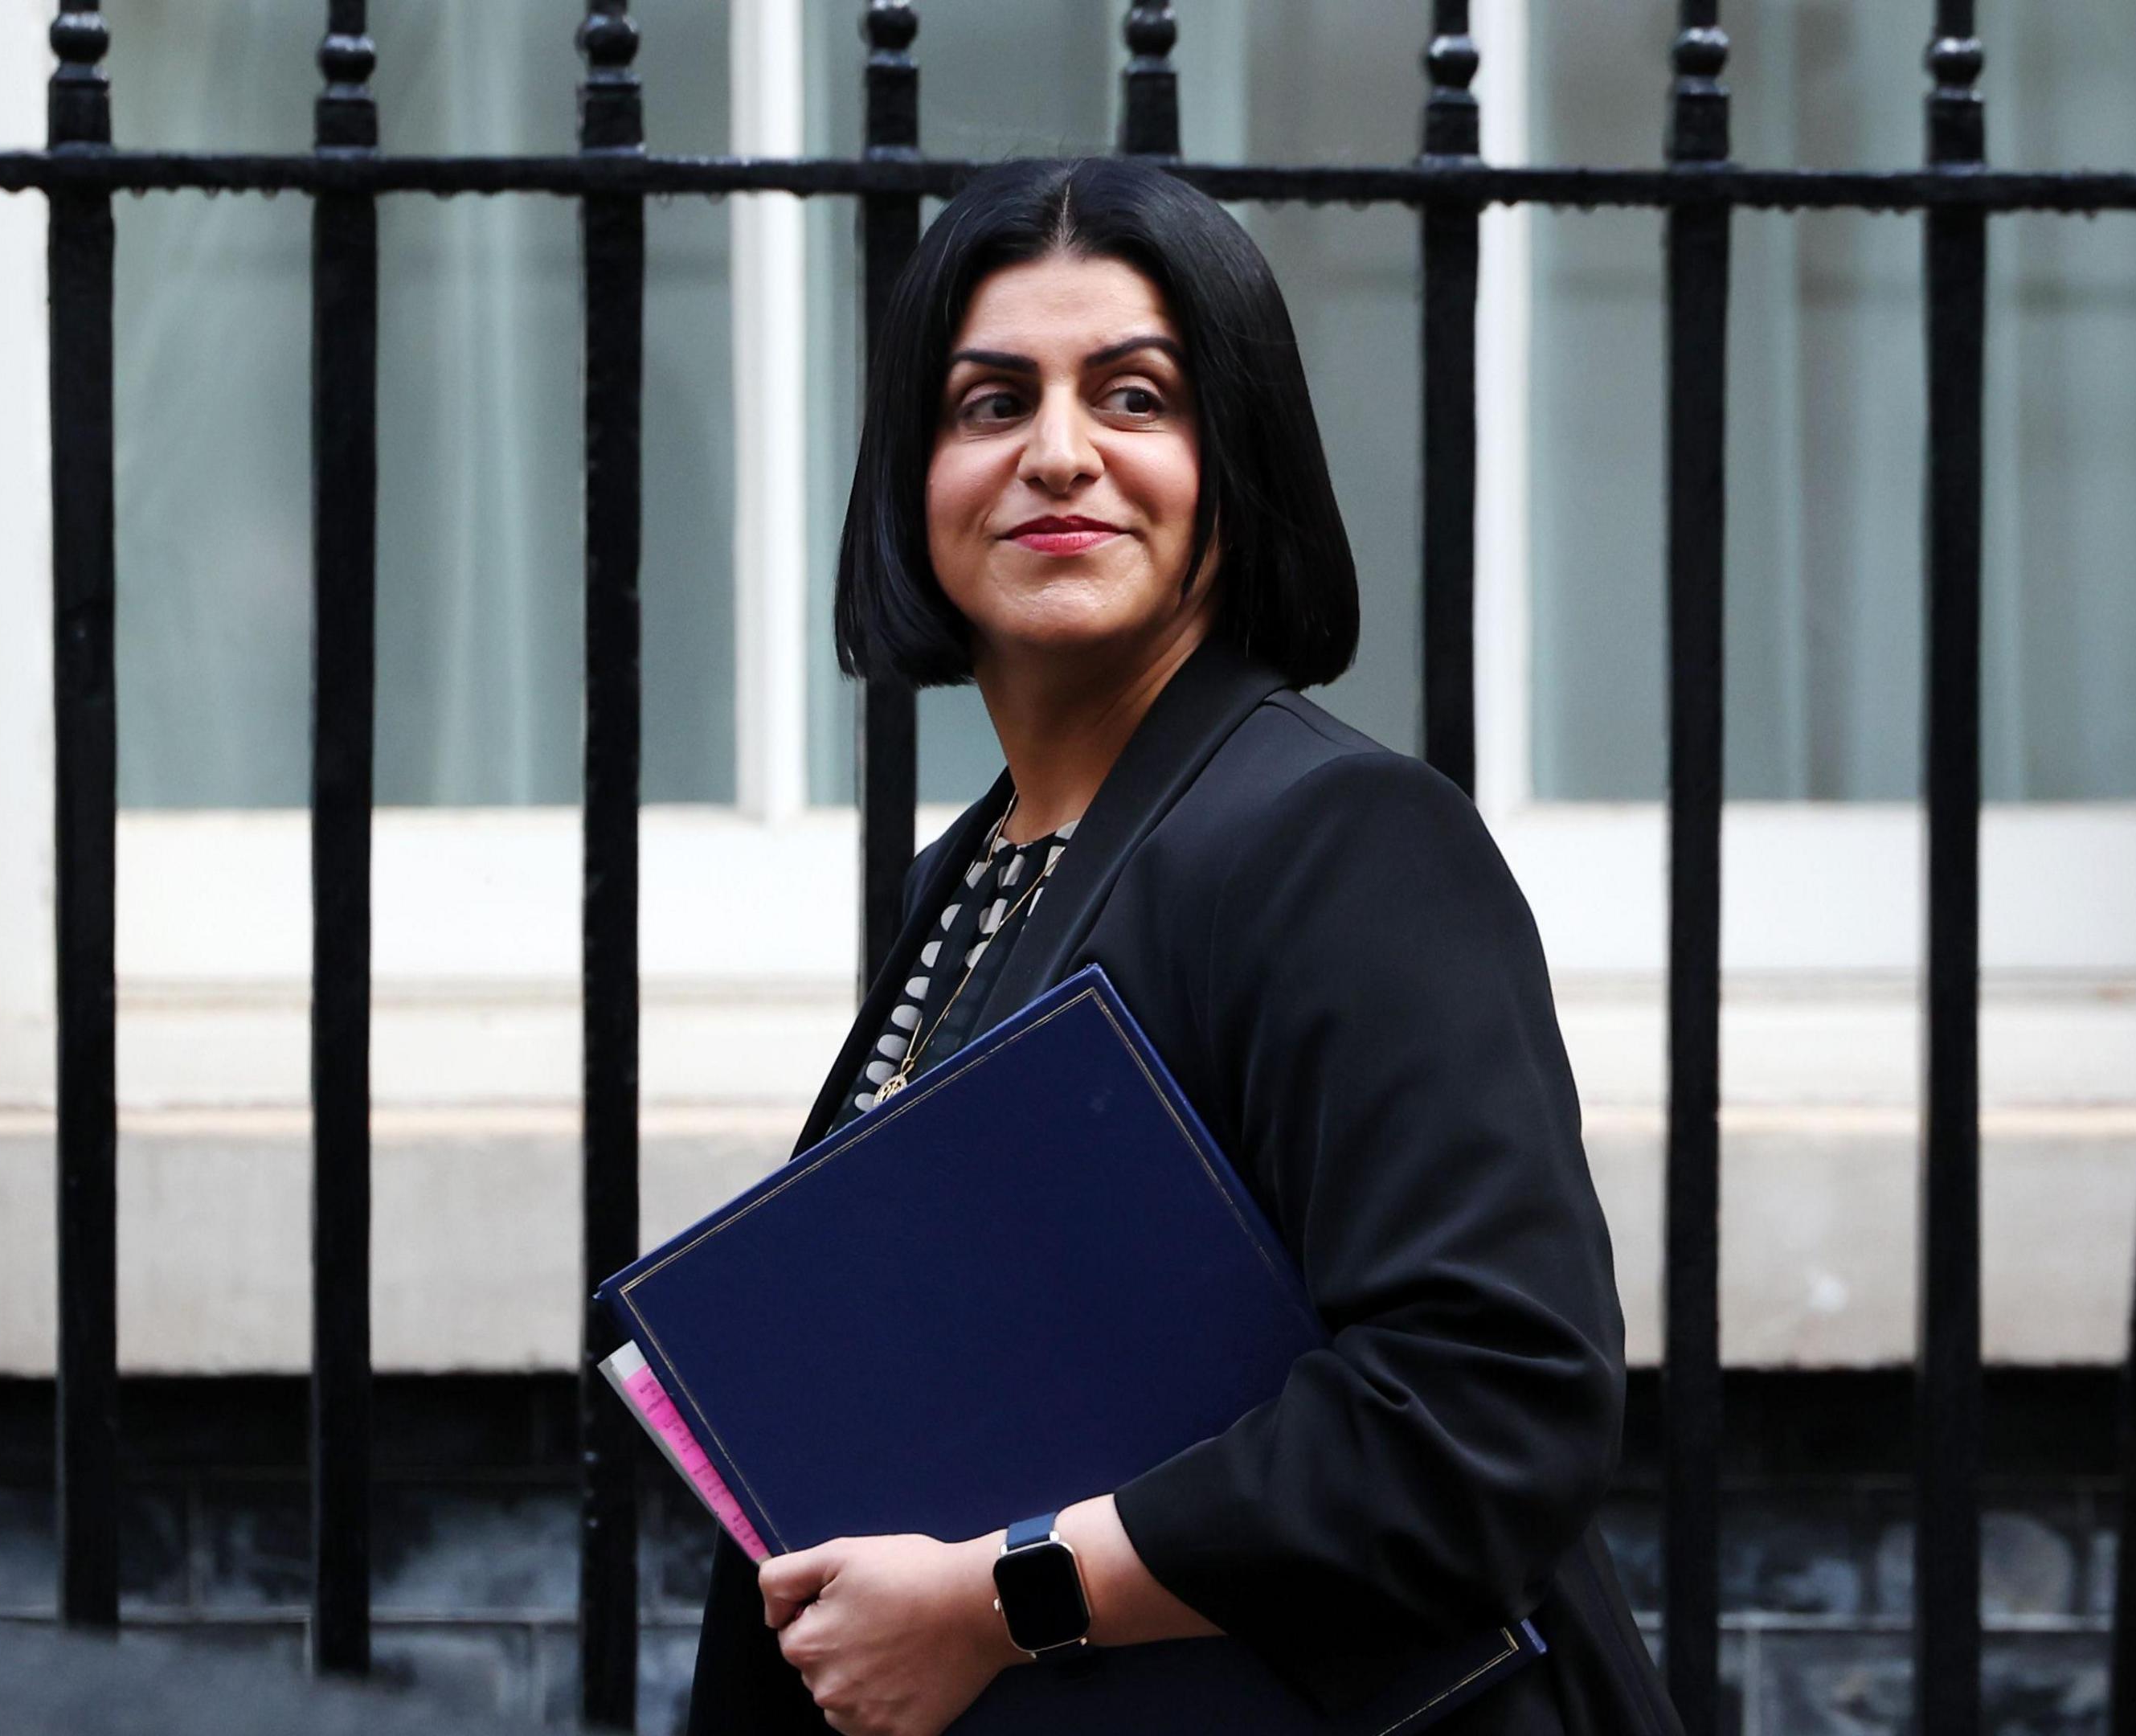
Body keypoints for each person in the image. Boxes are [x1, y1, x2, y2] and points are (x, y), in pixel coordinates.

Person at [682, 154, 1682, 1736]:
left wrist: (1001, 1604)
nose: (1057, 454)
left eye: (1134, 396)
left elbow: (1487, 1411)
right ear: (914, 471)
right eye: (989, 401)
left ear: (1238, 462)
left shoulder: (1343, 843)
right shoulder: (973, 877)